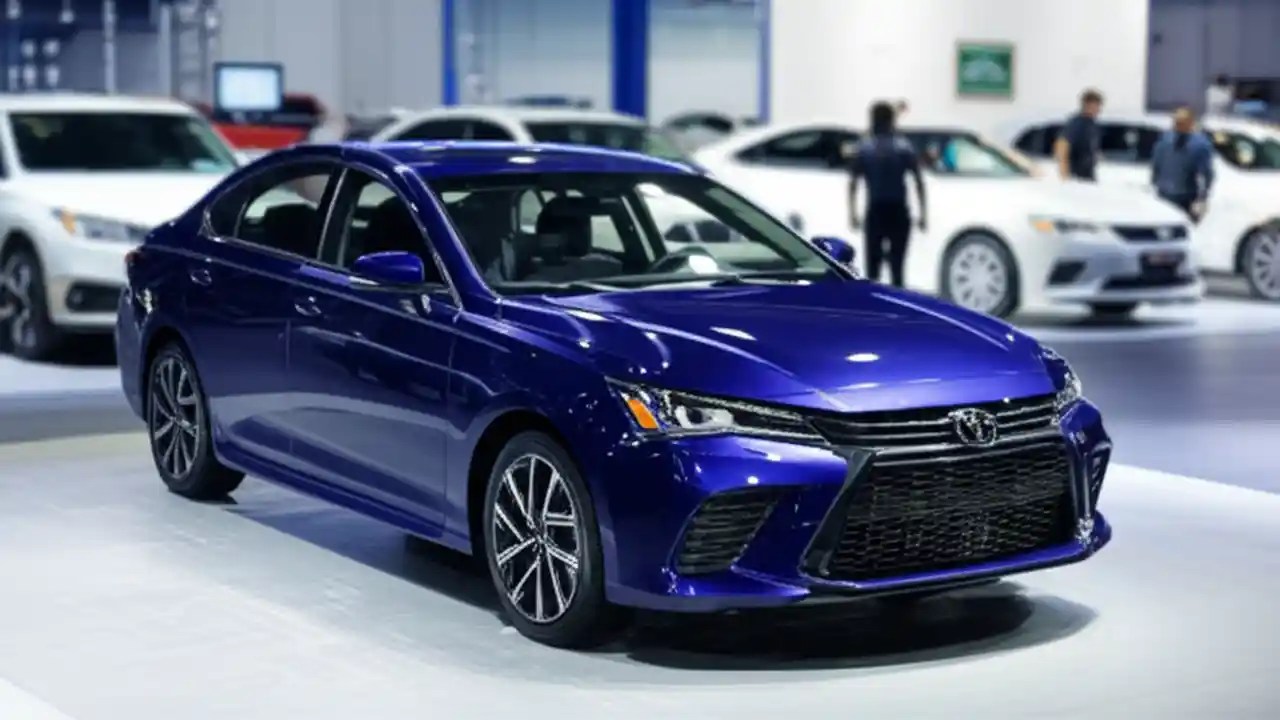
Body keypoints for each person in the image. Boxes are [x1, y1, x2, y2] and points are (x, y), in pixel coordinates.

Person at [848, 101, 926, 288]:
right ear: (892, 121)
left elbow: (853, 183)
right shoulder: (904, 147)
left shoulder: (865, 148)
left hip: (875, 211)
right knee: (898, 268)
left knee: (872, 269)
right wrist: (923, 214)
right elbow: (918, 181)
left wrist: (853, 213)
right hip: (899, 211)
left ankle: (874, 302)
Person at [1150, 107, 1215, 222]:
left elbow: (1156, 165)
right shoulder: (1200, 143)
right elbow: (1207, 173)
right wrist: (1204, 195)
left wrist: (1155, 182)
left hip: (1169, 193)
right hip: (1182, 194)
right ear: (1191, 123)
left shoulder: (1164, 140)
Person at [1055, 89, 1104, 181]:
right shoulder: (1076, 123)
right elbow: (1062, 144)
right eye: (1096, 106)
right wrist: (1064, 173)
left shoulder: (1092, 124)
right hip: (1075, 176)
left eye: (1099, 106)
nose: (1098, 109)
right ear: (1086, 105)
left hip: (1087, 174)